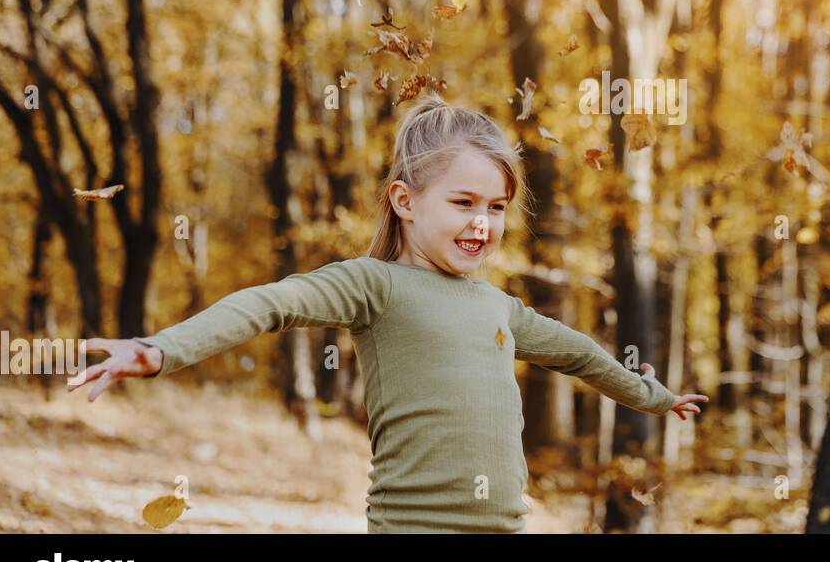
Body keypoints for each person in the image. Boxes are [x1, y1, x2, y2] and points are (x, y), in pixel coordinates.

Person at [67, 93, 707, 532]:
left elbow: (583, 355)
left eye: (495, 207)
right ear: (404, 199)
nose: (482, 223)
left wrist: (655, 397)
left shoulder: (501, 308)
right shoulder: (375, 286)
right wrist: (160, 349)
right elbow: (272, 303)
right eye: (463, 202)